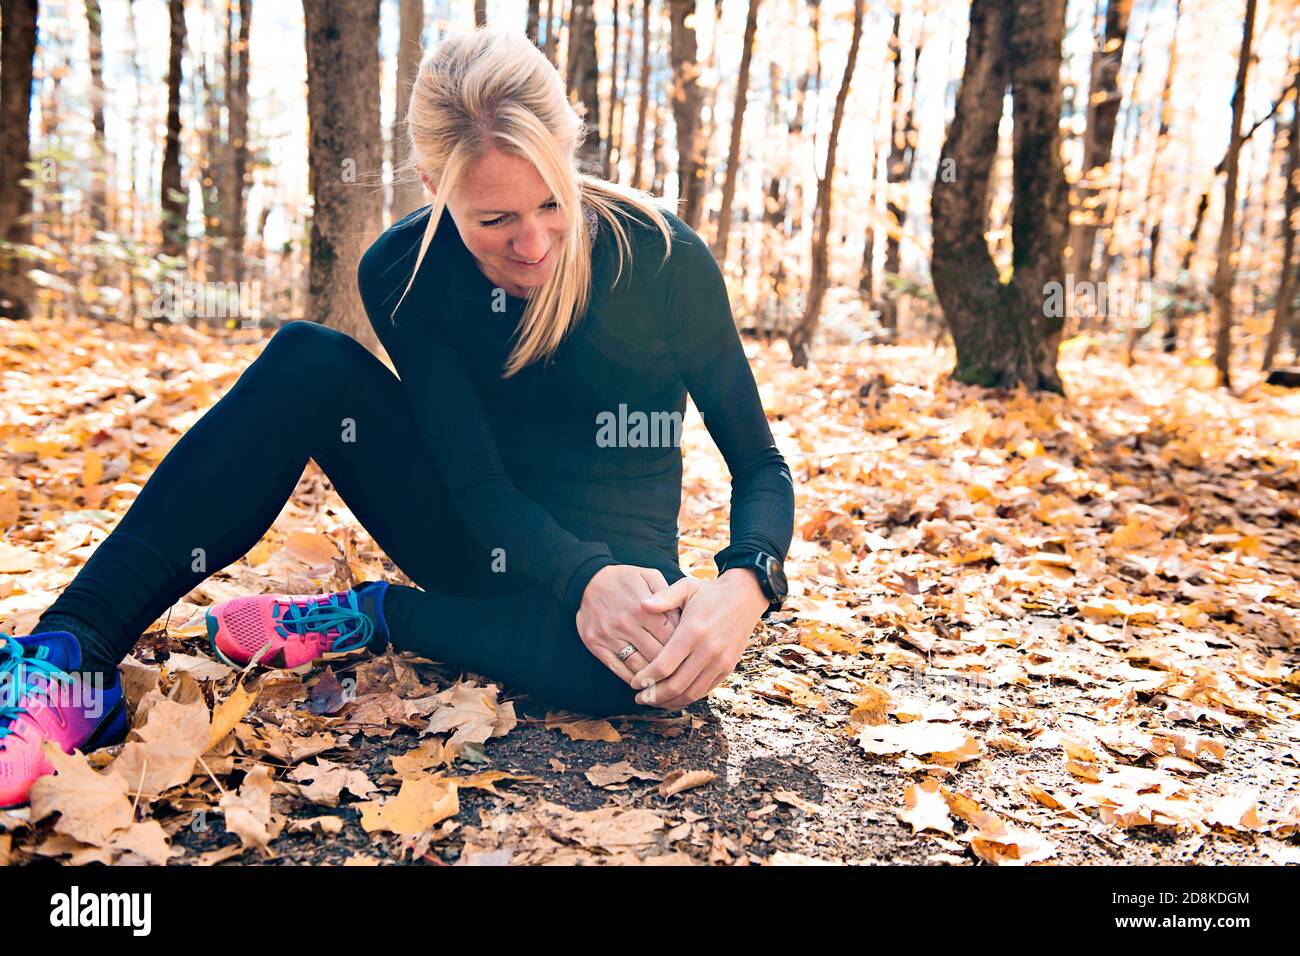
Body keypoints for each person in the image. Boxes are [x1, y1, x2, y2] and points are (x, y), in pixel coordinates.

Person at [0, 28, 794, 808]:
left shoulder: (661, 257)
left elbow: (760, 464)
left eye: (552, 202)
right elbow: (478, 483)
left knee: (631, 681)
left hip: (626, 562)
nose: (534, 245)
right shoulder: (403, 272)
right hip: (476, 533)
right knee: (306, 359)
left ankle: (381, 614)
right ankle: (71, 653)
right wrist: (574, 573)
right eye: (493, 220)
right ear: (431, 186)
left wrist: (747, 579)